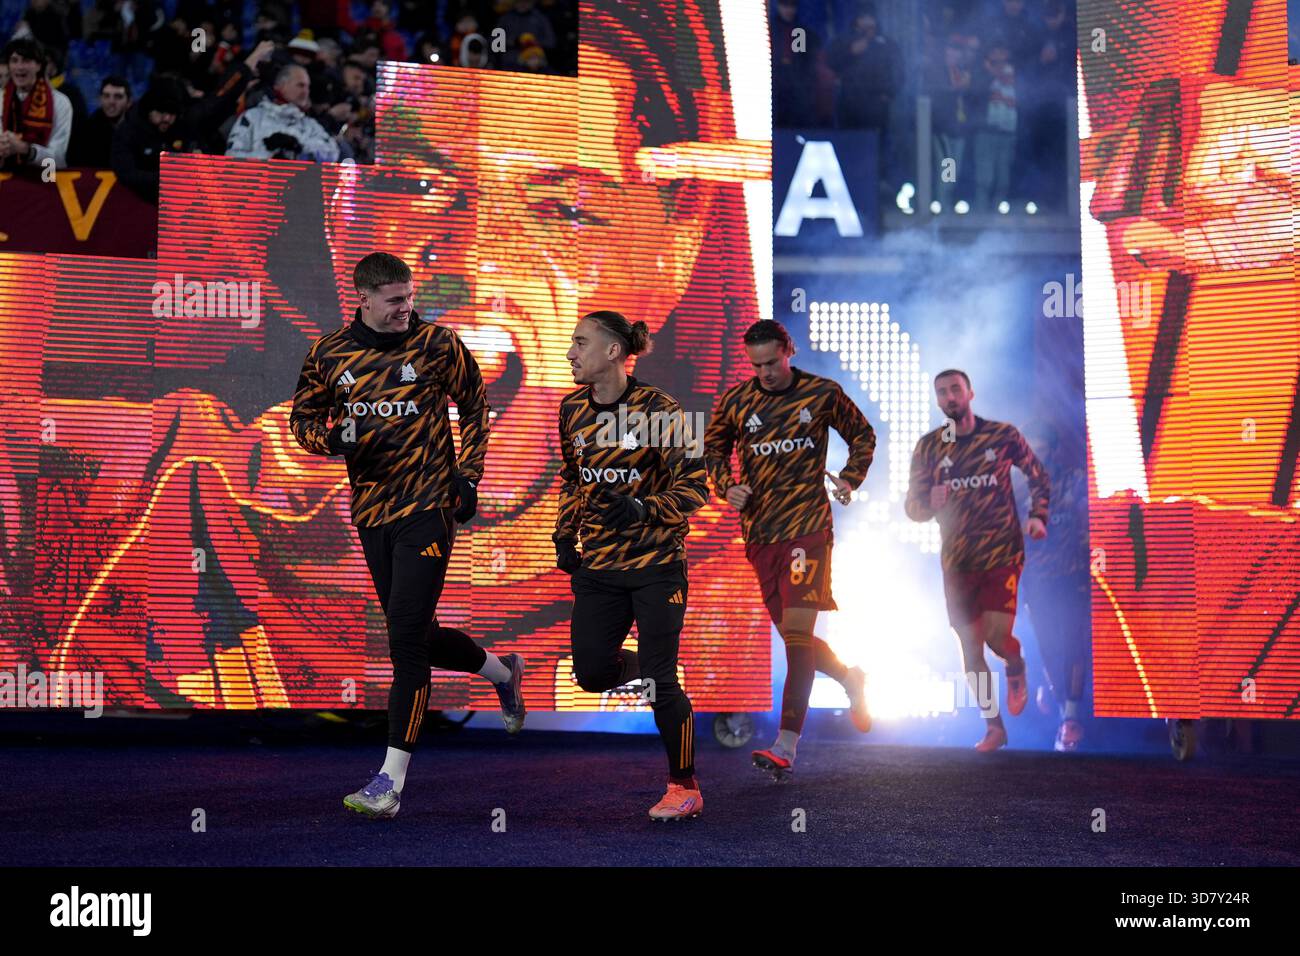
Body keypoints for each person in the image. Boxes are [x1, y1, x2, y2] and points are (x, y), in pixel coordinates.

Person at [290, 252, 525, 820]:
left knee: (405, 644)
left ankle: (389, 781)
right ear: (364, 299)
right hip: (372, 511)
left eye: (410, 296)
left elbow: (475, 407)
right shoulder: (329, 353)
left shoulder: (439, 345)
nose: (406, 308)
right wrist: (334, 440)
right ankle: (502, 671)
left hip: (428, 508)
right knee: (416, 629)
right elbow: (301, 424)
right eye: (395, 300)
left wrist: (468, 476)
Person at [704, 319, 876, 780]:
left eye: (771, 363)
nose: (764, 372)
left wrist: (849, 478)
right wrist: (727, 486)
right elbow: (713, 451)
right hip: (761, 535)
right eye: (755, 364)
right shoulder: (737, 400)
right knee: (793, 638)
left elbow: (862, 435)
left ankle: (786, 745)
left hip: (808, 529)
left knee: (798, 638)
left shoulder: (822, 393)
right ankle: (848, 677)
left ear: (790, 351)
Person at [555, 310, 707, 820]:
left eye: (580, 343)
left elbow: (697, 485)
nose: (570, 353)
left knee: (661, 683)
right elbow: (573, 480)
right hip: (599, 568)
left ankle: (683, 787)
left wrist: (645, 508)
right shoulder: (571, 408)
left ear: (614, 352)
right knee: (592, 674)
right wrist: (562, 534)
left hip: (657, 565)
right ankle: (657, 673)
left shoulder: (659, 408)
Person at [905, 370, 1050, 752]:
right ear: (938, 401)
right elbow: (912, 507)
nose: (950, 397)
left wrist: (1038, 516)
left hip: (1001, 552)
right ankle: (994, 727)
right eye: (942, 392)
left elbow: (1038, 475)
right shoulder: (929, 447)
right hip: (957, 560)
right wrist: (927, 505)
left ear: (970, 392)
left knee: (995, 638)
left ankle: (1015, 666)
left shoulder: (1002, 435)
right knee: (970, 649)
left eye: (955, 389)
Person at [226, 62, 342, 162]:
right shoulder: (253, 117)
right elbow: (232, 156)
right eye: (300, 85)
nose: (306, 92)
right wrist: (270, 158)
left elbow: (332, 153)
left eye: (308, 87)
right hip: (258, 185)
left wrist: (298, 145)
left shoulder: (308, 124)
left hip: (297, 186)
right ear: (281, 86)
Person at [0, 37, 73, 170]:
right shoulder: (1, 99)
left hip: (44, 180)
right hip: (6, 179)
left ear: (39, 65)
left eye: (26, 61)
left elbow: (58, 161)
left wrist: (26, 150)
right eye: (14, 60)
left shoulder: (60, 103)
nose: (19, 67)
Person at [69, 75, 131, 167]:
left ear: (129, 102)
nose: (111, 102)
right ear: (100, 99)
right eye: (106, 96)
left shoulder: (139, 129)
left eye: (118, 97)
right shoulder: (86, 131)